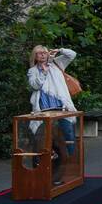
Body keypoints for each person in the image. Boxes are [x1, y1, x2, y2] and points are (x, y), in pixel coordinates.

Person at [27, 44, 77, 180]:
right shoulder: (33, 71)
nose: (42, 55)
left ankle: (73, 167)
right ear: (35, 57)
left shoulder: (57, 63)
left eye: (44, 52)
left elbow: (72, 54)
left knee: (69, 136)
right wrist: (43, 72)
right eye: (39, 53)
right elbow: (35, 85)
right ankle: (40, 169)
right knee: (41, 139)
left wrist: (60, 50)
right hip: (43, 110)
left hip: (62, 108)